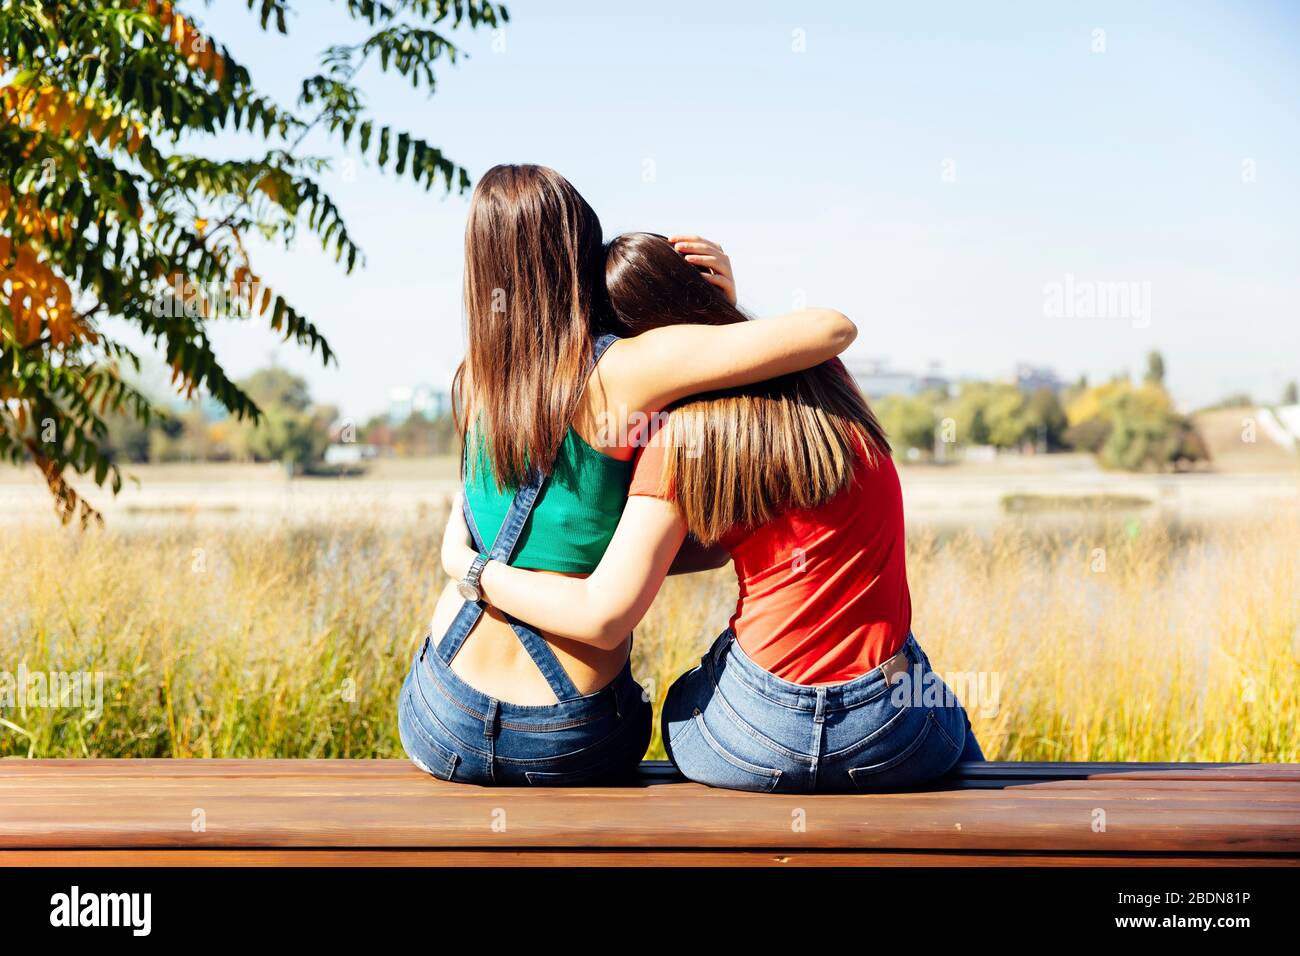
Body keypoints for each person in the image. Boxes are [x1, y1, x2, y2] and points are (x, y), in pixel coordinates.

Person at [440, 231, 984, 792]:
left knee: (682, 704)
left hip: (758, 738)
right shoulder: (829, 388)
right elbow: (823, 330)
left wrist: (483, 568)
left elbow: (612, 604)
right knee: (928, 690)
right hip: (892, 735)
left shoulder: (679, 441)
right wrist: (726, 314)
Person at [400, 167, 858, 786]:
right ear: (579, 253)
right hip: (568, 735)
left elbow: (535, 524)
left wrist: (470, 567)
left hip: (439, 715)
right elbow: (832, 329)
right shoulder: (626, 370)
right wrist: (719, 306)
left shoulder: (475, 379)